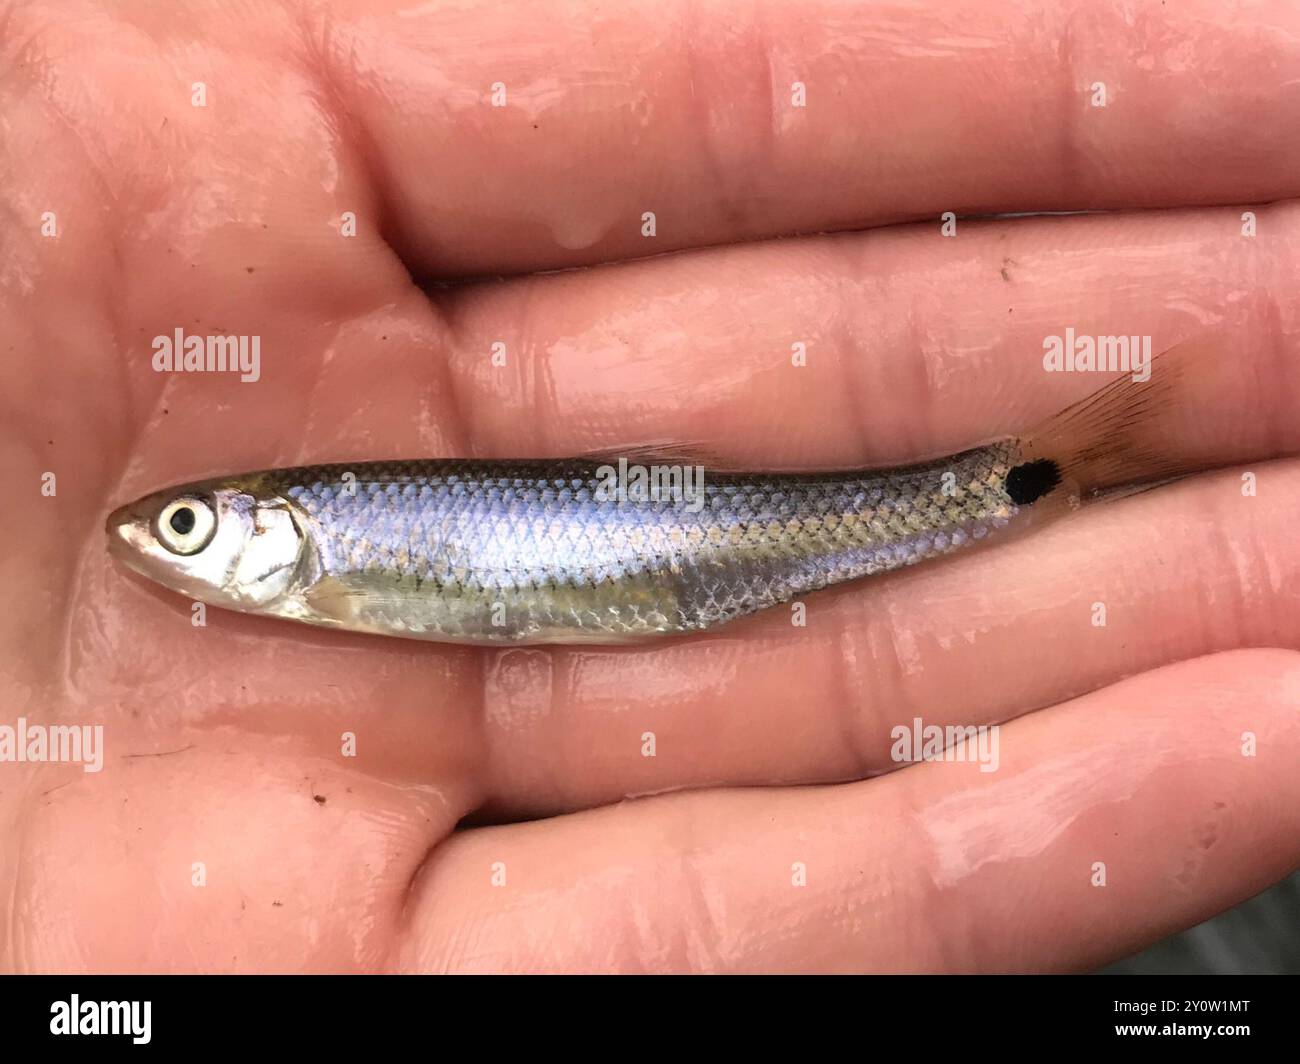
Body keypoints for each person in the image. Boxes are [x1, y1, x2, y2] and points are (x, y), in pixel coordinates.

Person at [2, 0, 1298, 973]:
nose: (176, 546)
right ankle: (1019, 484)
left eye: (189, 528)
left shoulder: (327, 560)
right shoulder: (315, 570)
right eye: (187, 527)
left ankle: (1028, 481)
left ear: (274, 531)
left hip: (676, 556)